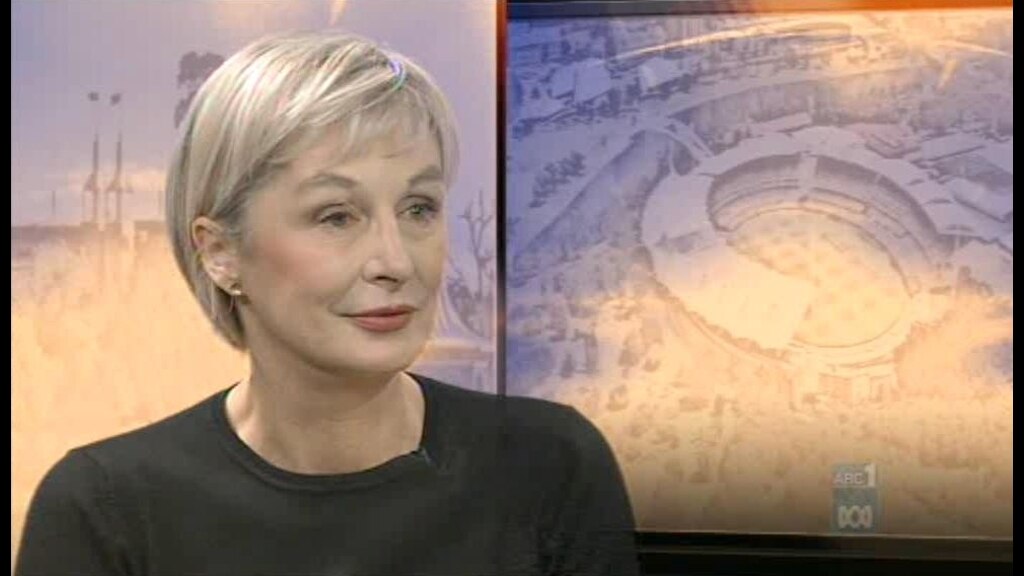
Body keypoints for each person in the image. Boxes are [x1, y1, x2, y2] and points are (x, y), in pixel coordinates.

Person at [15, 30, 639, 576]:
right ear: (220, 252)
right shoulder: (106, 510)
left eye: (419, 208)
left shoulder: (548, 465)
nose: (396, 261)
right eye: (336, 216)